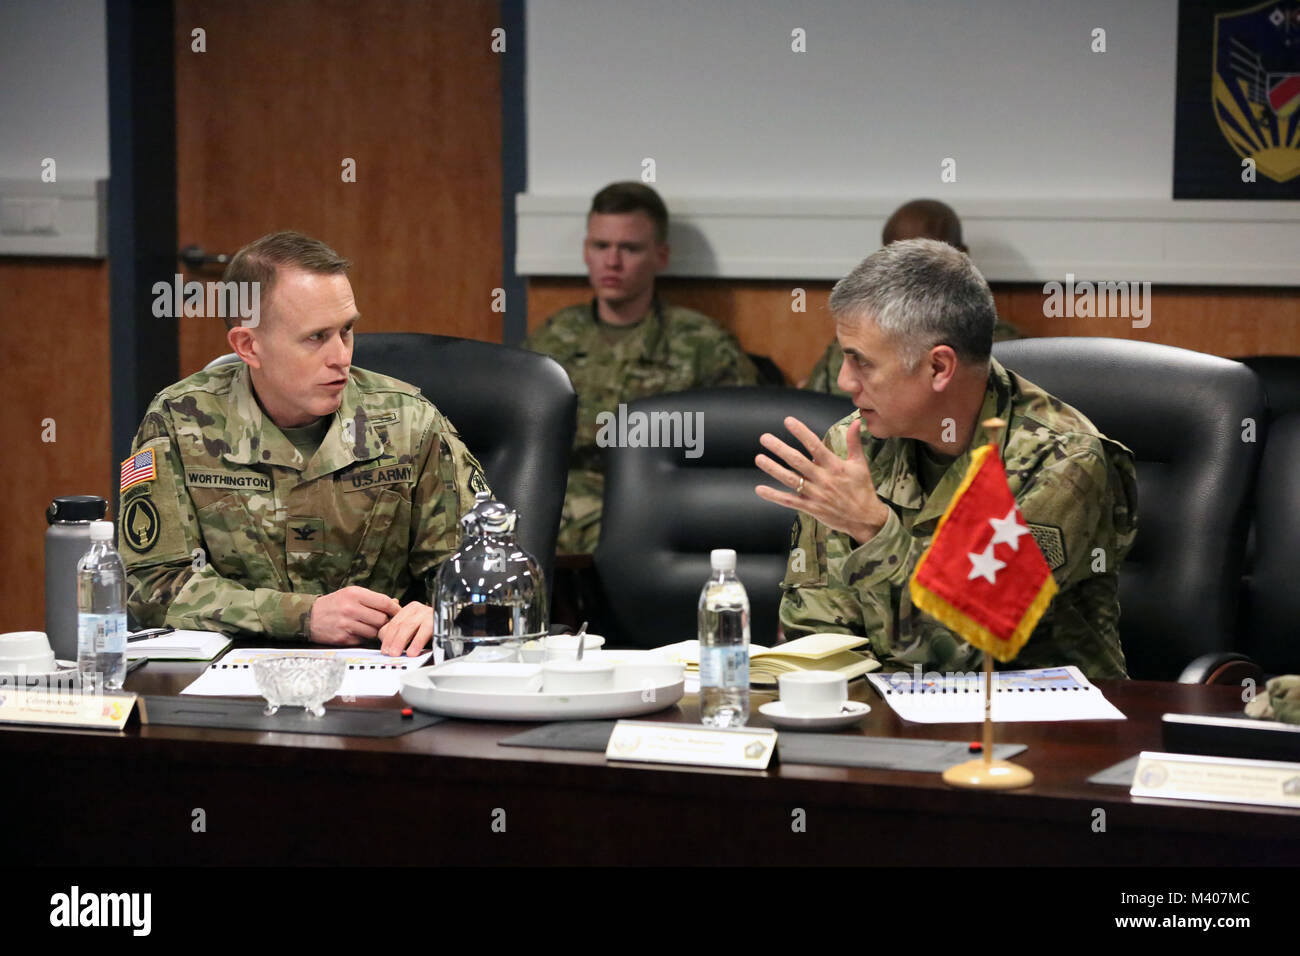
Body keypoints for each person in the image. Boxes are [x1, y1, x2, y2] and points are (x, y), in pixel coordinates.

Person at [756, 239, 1136, 680]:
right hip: (882, 717)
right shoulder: (851, 446)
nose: (844, 381)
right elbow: (816, 638)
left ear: (939, 368)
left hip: (1038, 724)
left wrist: (874, 532)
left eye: (861, 362)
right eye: (844, 357)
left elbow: (959, 647)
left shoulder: (1059, 461)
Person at [118, 231, 490, 656]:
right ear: (248, 345)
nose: (341, 357)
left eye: (346, 331)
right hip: (235, 679)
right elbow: (154, 587)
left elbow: (484, 572)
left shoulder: (409, 423)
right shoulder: (179, 423)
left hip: (382, 671)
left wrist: (443, 610)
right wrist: (301, 616)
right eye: (316, 337)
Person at [524, 182, 758, 553]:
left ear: (661, 256)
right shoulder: (552, 340)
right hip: (559, 514)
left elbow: (741, 447)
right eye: (601, 246)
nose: (612, 262)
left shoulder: (703, 343)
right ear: (586, 251)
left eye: (630, 248)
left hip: (658, 507)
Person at [803, 199, 1021, 395]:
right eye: (899, 261)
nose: (909, 273)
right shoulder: (850, 346)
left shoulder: (999, 347)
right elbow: (815, 411)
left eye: (923, 262)